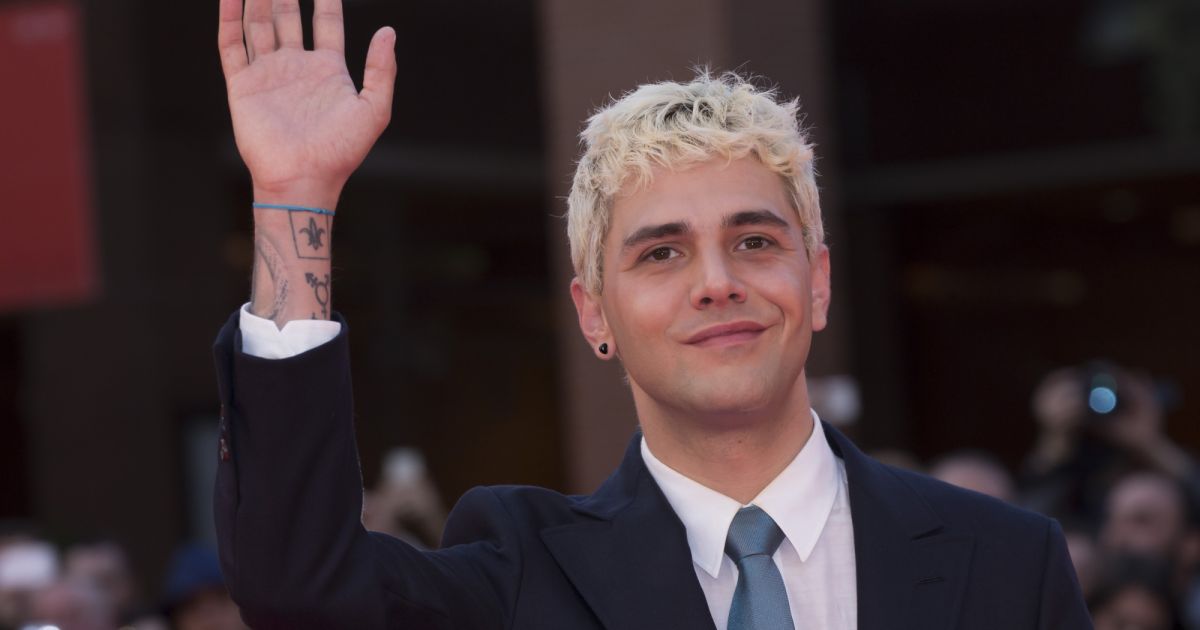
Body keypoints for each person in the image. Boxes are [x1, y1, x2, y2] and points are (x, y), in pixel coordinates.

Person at [212, 0, 1092, 627]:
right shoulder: (524, 573)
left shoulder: (1007, 562)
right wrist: (295, 201)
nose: (717, 282)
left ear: (818, 282)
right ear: (594, 315)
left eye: (755, 240)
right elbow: (303, 591)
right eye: (661, 253)